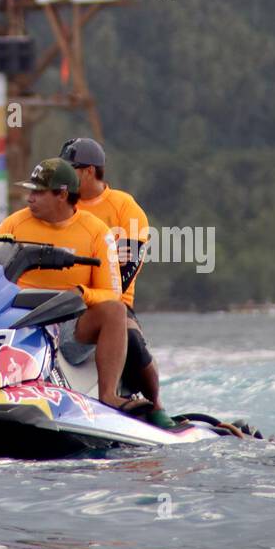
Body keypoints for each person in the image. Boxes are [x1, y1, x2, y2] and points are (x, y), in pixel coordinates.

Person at [0, 158, 138, 412]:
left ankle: (109, 396)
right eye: (30, 190)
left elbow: (112, 294)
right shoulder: (13, 224)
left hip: (69, 325)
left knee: (116, 311)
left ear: (61, 194)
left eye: (38, 192)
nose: (29, 198)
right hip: (18, 322)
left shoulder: (96, 231)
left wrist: (81, 294)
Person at [58, 136, 170, 425]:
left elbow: (126, 270)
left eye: (70, 170)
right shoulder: (59, 205)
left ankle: (156, 406)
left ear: (89, 171)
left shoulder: (124, 207)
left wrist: (90, 293)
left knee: (129, 335)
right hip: (60, 301)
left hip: (110, 300)